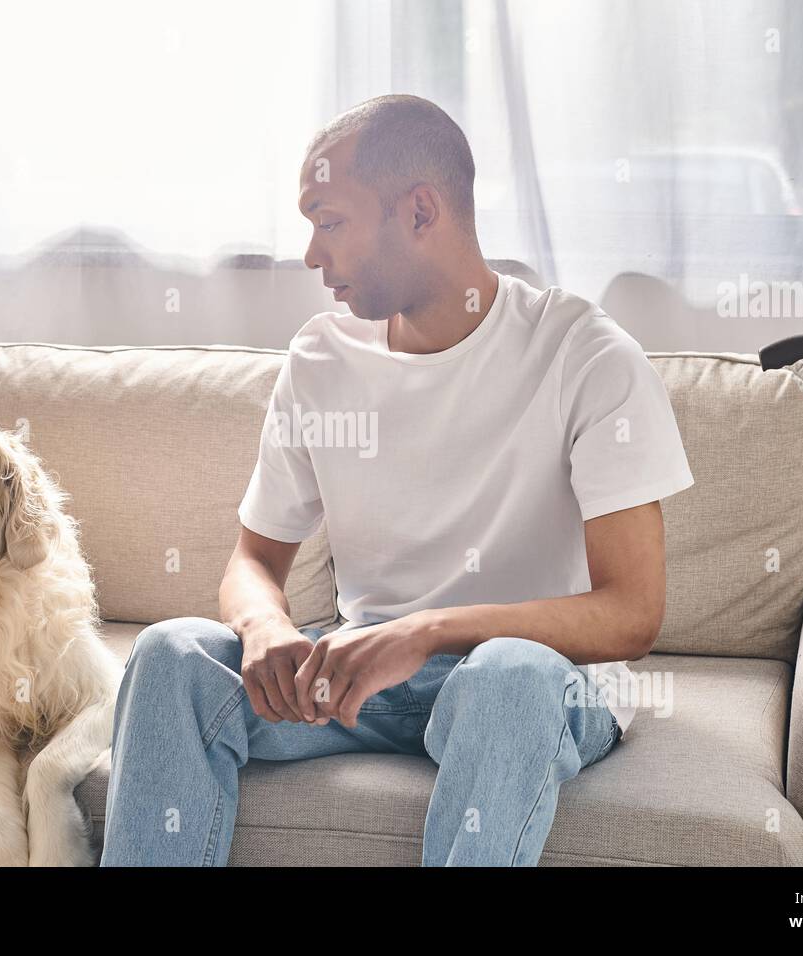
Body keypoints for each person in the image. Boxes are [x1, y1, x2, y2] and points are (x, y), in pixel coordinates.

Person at [99, 94, 694, 866]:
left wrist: (426, 632)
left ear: (420, 211)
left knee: (506, 675)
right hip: (356, 681)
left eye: (330, 220)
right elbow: (253, 562)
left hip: (535, 681)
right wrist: (266, 628)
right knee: (171, 655)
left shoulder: (586, 356)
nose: (313, 255)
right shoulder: (320, 360)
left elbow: (632, 615)